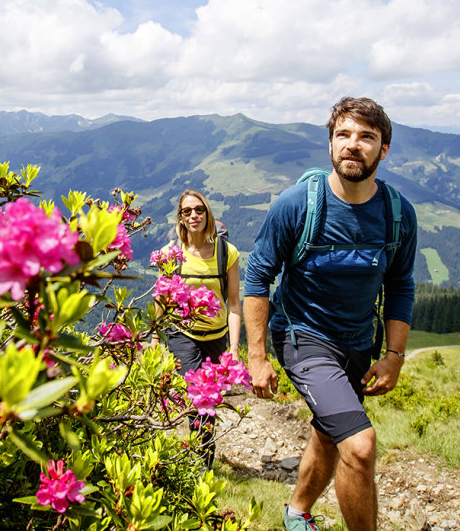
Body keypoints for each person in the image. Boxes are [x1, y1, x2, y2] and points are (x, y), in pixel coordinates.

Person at [243, 97, 417, 531]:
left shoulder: (398, 215)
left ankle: (296, 512)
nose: (353, 145)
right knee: (359, 445)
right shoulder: (297, 203)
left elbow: (400, 286)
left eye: (366, 137)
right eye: (343, 135)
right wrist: (257, 356)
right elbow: (257, 276)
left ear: (384, 149)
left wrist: (394, 357)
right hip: (302, 338)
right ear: (330, 144)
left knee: (330, 431)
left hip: (359, 343)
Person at [156, 189, 241, 469]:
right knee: (199, 396)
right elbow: (162, 298)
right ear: (179, 218)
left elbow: (233, 304)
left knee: (209, 402)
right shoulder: (171, 255)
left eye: (199, 210)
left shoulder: (226, 253)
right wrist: (156, 340)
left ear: (208, 213)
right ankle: (201, 465)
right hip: (183, 334)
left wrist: (235, 350)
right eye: (187, 211)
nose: (194, 215)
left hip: (215, 338)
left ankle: (201, 461)